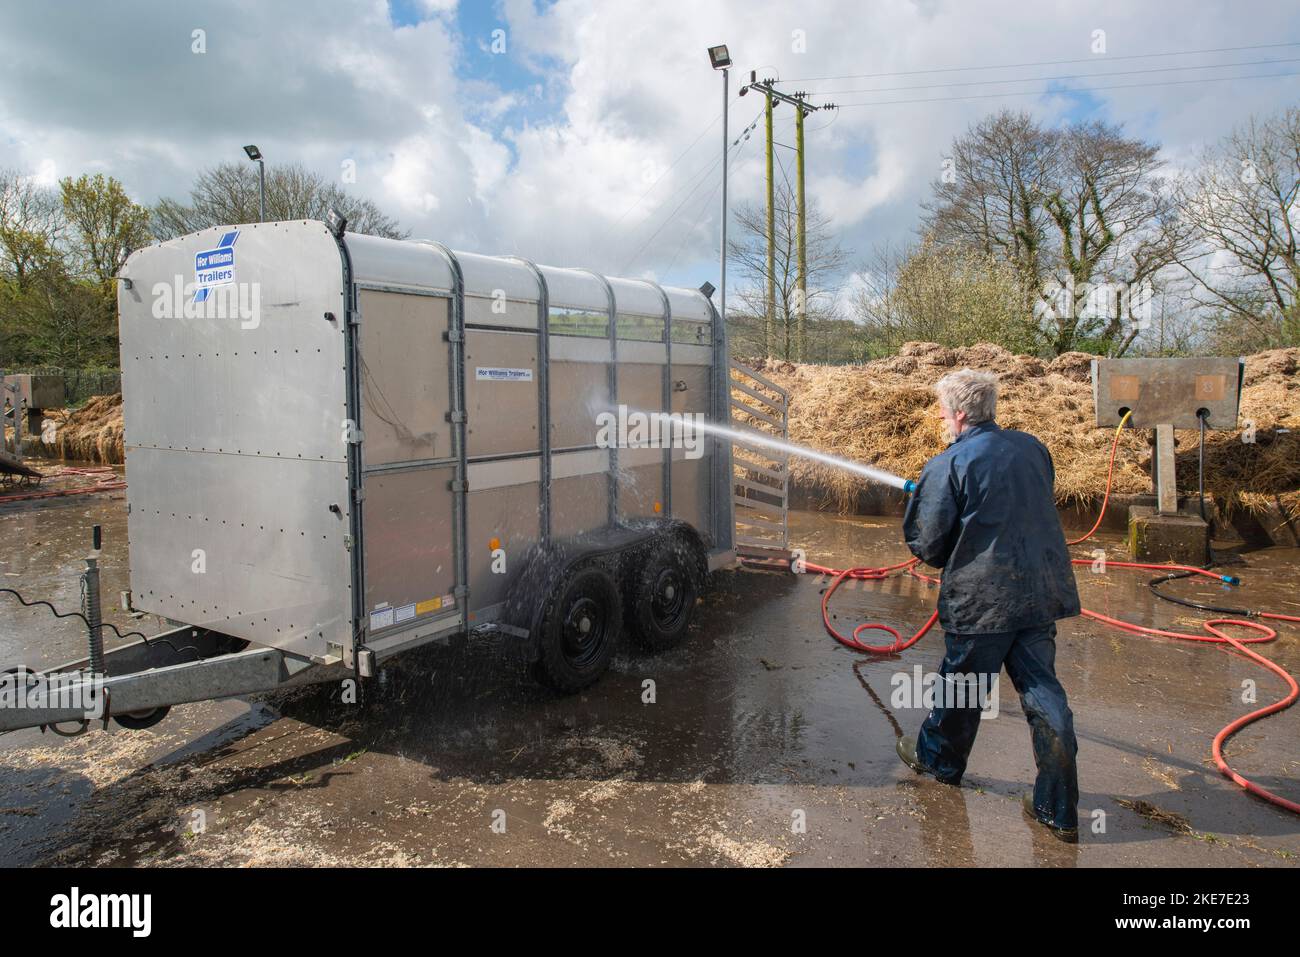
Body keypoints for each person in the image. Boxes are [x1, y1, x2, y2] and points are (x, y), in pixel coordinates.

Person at [895, 368, 1082, 843]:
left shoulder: (948, 464)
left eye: (941, 411)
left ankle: (939, 763)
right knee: (1043, 692)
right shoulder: (1033, 447)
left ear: (958, 414)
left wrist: (925, 500)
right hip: (1040, 592)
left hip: (983, 602)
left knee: (963, 689)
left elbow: (929, 546)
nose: (940, 419)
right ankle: (1058, 808)